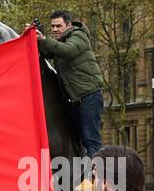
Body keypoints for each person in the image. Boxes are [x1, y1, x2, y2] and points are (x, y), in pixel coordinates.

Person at [37, 11, 104, 158]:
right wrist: (36, 37)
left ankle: (99, 175)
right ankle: (86, 174)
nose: (55, 30)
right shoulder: (59, 43)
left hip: (89, 96)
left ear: (69, 25)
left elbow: (68, 51)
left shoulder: (78, 35)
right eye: (52, 26)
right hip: (76, 100)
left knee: (91, 139)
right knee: (78, 141)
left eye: (58, 26)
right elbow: (47, 52)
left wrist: (44, 39)